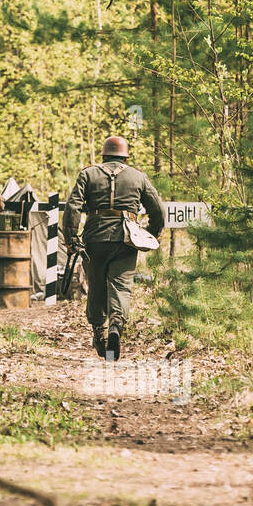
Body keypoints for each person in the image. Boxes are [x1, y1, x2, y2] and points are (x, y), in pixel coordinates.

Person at [61, 135, 164, 360]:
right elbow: (158, 209)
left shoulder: (88, 174)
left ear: (104, 154)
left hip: (94, 238)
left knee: (97, 285)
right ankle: (117, 324)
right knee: (121, 285)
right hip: (126, 239)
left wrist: (70, 238)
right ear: (126, 156)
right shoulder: (138, 176)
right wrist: (151, 233)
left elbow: (73, 206)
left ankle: (101, 332)